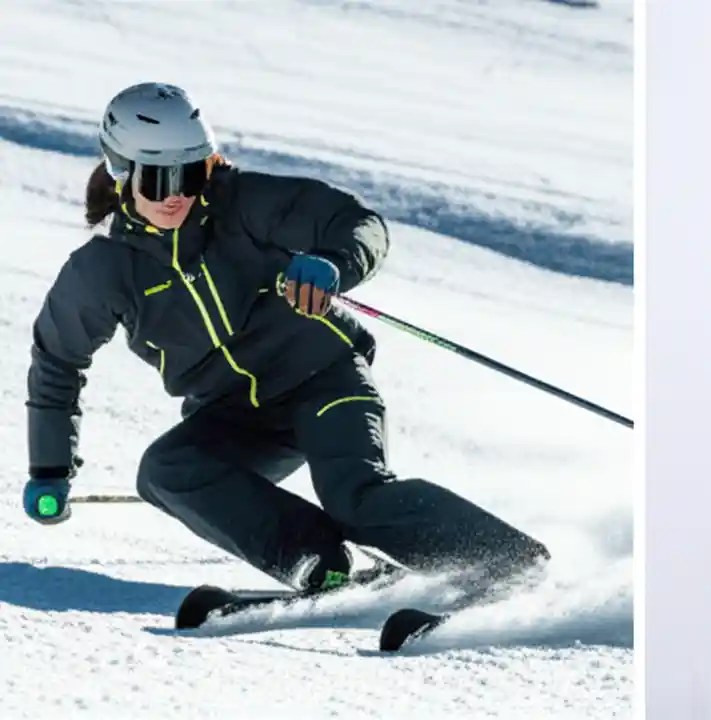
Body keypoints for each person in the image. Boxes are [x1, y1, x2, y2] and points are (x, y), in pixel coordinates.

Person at [22, 82, 549, 595]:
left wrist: (334, 264)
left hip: (324, 379)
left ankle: (510, 565)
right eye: (159, 180)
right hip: (238, 415)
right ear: (122, 170)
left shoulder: (243, 203)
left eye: (192, 173)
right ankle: (320, 565)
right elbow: (57, 362)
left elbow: (354, 222)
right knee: (167, 471)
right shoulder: (103, 271)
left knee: (356, 498)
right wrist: (49, 468)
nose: (177, 193)